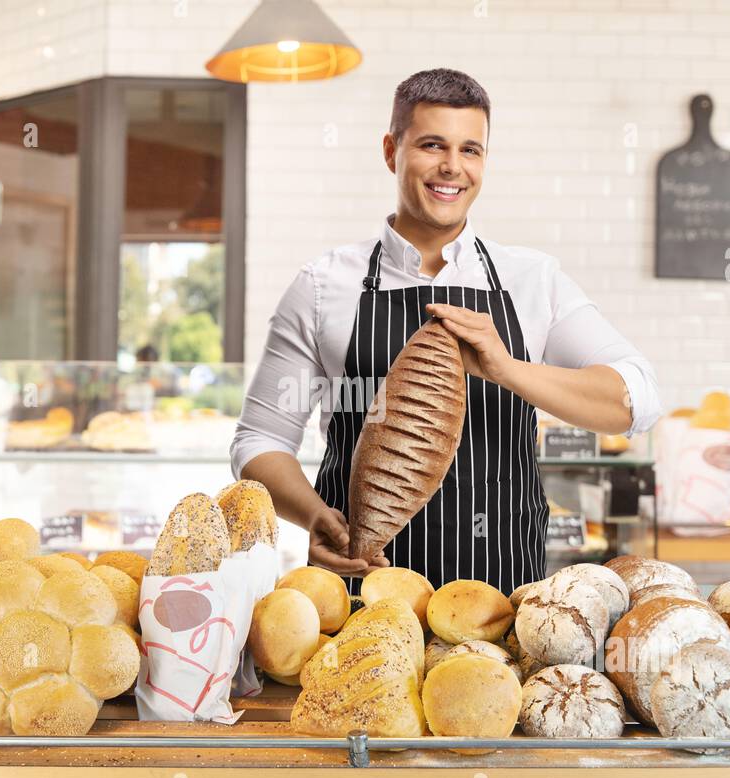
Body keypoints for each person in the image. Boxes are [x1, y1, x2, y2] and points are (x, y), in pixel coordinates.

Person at [230, 69, 661, 593]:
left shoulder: (533, 280)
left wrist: (507, 368)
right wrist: (314, 515)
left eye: (470, 150)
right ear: (392, 151)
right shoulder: (324, 285)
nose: (452, 168)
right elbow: (261, 438)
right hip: (359, 593)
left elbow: (636, 397)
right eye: (432, 145)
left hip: (498, 600)